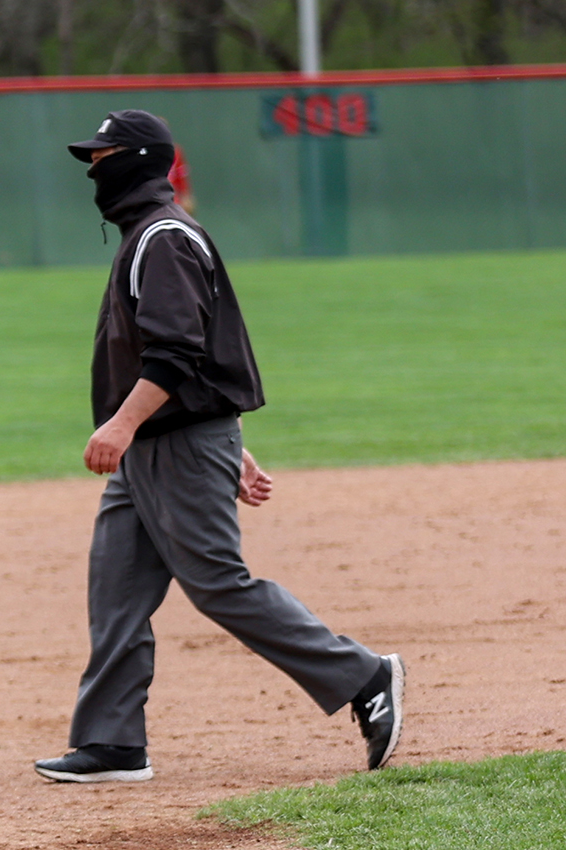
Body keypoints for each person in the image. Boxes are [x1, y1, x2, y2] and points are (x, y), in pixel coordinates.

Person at [35, 109, 404, 784]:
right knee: (116, 589)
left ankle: (364, 676)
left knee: (218, 584)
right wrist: (226, 442)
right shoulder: (149, 234)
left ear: (138, 162)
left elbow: (178, 353)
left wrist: (124, 425)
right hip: (158, 447)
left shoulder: (164, 239)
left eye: (103, 158)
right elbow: (206, 356)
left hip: (170, 444)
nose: (93, 170)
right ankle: (113, 741)